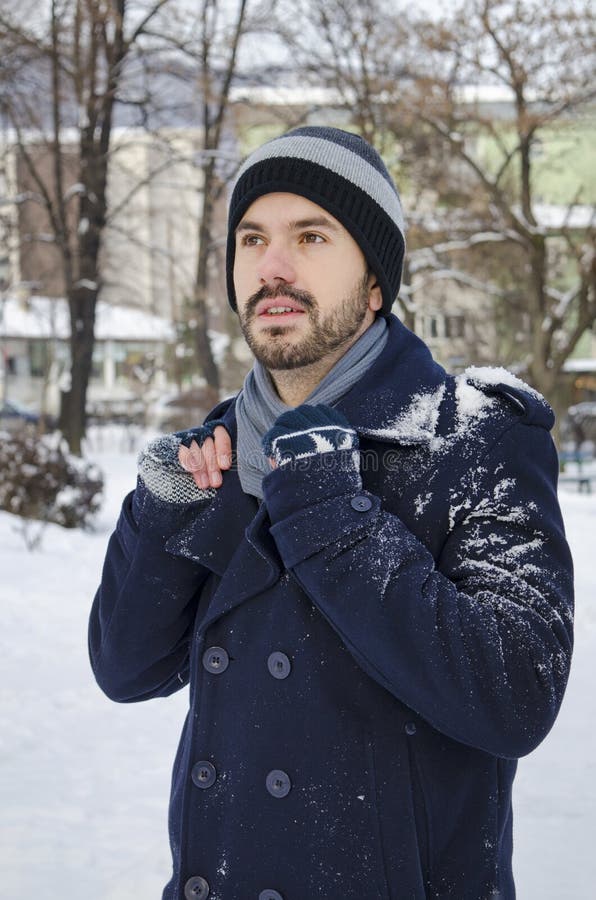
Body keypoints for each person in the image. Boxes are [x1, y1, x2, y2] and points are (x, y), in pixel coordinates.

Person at [89, 127, 574, 900]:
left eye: (311, 237)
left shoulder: (475, 437)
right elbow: (126, 670)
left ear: (374, 281)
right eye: (252, 239)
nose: (272, 267)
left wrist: (330, 513)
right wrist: (162, 514)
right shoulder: (222, 449)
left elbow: (517, 695)